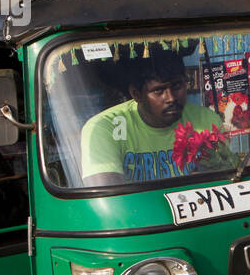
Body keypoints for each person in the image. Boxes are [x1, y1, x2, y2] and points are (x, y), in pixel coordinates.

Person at [81, 50, 225, 186]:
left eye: (177, 85)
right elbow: (109, 196)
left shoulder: (207, 120)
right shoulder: (104, 128)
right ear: (136, 94)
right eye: (158, 90)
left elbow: (223, 179)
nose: (171, 98)